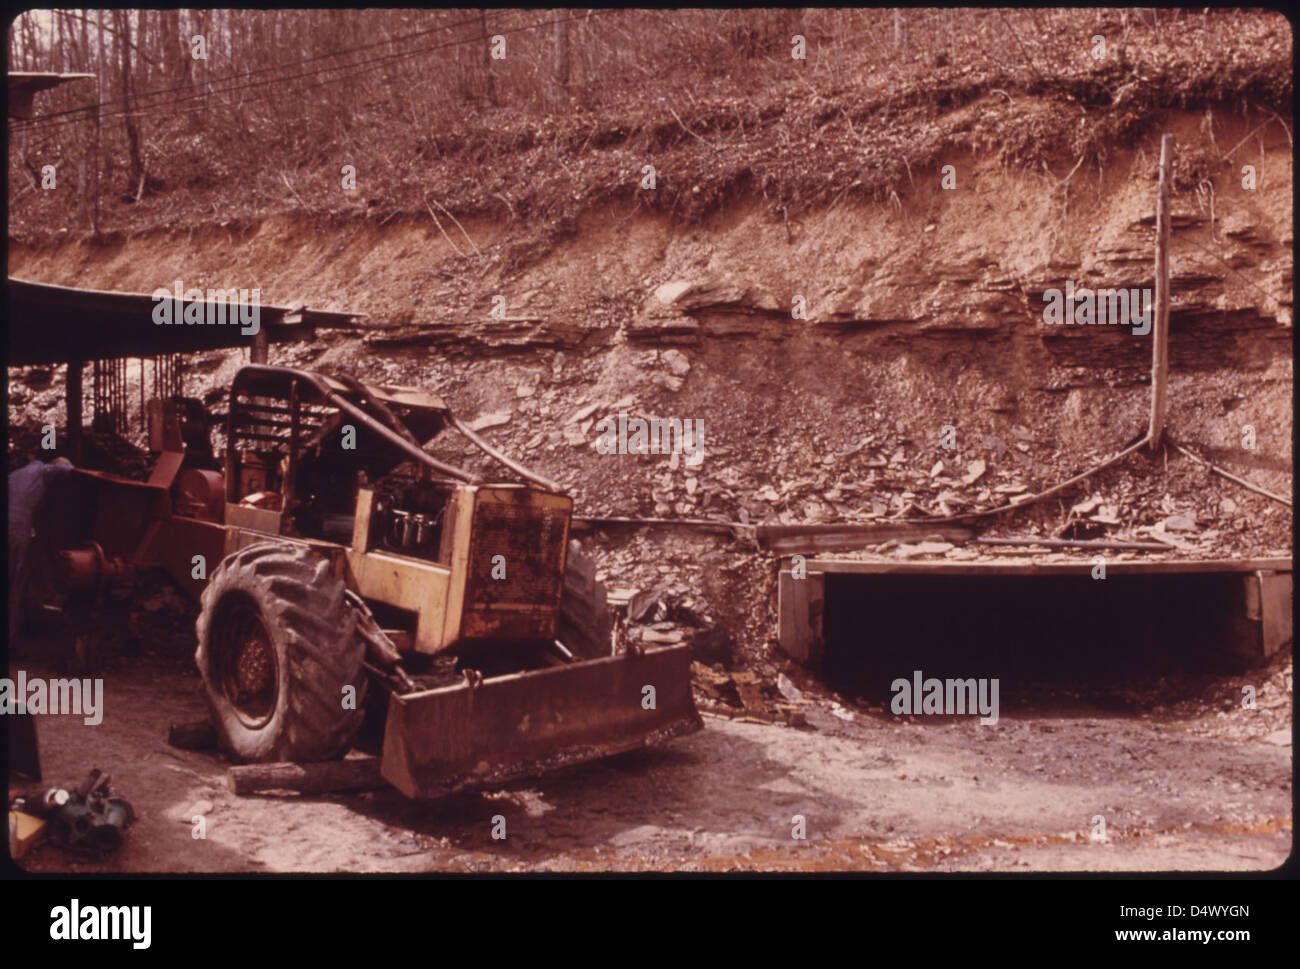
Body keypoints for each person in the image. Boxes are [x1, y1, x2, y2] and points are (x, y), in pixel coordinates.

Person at [8, 454, 74, 642]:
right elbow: (63, 468)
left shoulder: (14, 475)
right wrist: (71, 468)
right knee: (15, 585)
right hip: (17, 531)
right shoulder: (43, 470)